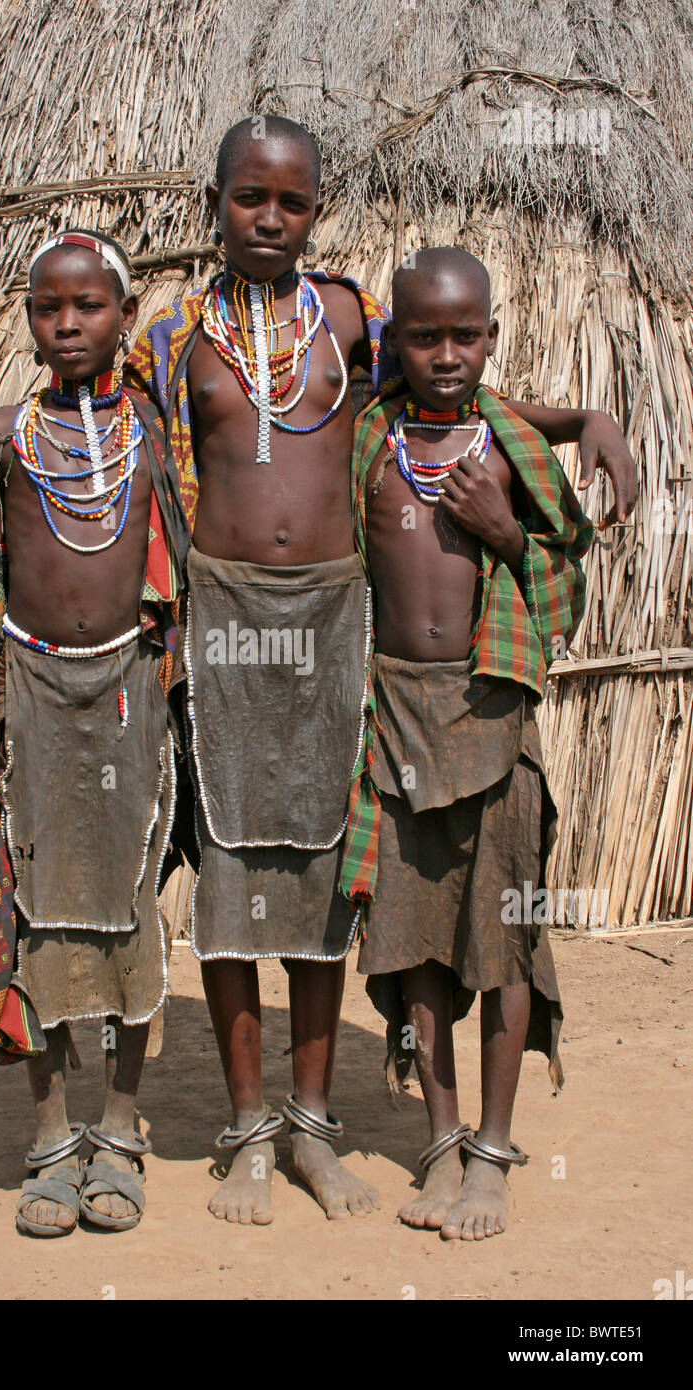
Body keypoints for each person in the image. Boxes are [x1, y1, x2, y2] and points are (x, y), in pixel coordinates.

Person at [0, 118, 637, 1228]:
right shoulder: (172, 340)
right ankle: (246, 1131)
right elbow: (74, 399)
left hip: (333, 623)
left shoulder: (352, 319)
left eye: (290, 202)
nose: (269, 218)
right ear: (212, 204)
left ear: (315, 211)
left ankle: (309, 1130)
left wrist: (579, 415)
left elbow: (452, 385)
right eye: (247, 198)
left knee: (313, 877)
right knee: (229, 879)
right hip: (220, 621)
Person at [0, 229, 187, 1238]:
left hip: (132, 684)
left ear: (123, 319)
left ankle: (119, 1126)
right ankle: (48, 1134)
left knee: (128, 901)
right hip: (29, 690)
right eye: (49, 306)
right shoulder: (5, 436)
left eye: (88, 305)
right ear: (29, 317)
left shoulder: (158, 433)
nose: (68, 321)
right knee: (29, 903)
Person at [341, 246, 592, 1241]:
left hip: (492, 719)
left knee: (502, 946)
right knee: (412, 952)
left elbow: (568, 585)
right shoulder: (371, 442)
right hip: (392, 718)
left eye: (462, 334)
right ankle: (439, 1137)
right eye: (422, 335)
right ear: (393, 342)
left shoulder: (514, 451)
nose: (444, 353)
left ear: (489, 337)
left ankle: (492, 1151)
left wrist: (502, 533)